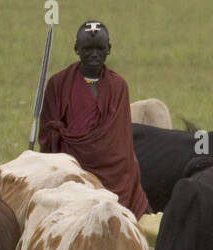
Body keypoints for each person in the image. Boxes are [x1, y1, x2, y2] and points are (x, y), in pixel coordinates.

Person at [38, 20, 149, 217]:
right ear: (76, 49)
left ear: (109, 49)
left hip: (114, 172)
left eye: (100, 48)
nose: (94, 54)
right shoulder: (58, 83)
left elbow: (120, 141)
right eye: (87, 49)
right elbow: (48, 133)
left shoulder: (119, 86)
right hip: (71, 170)